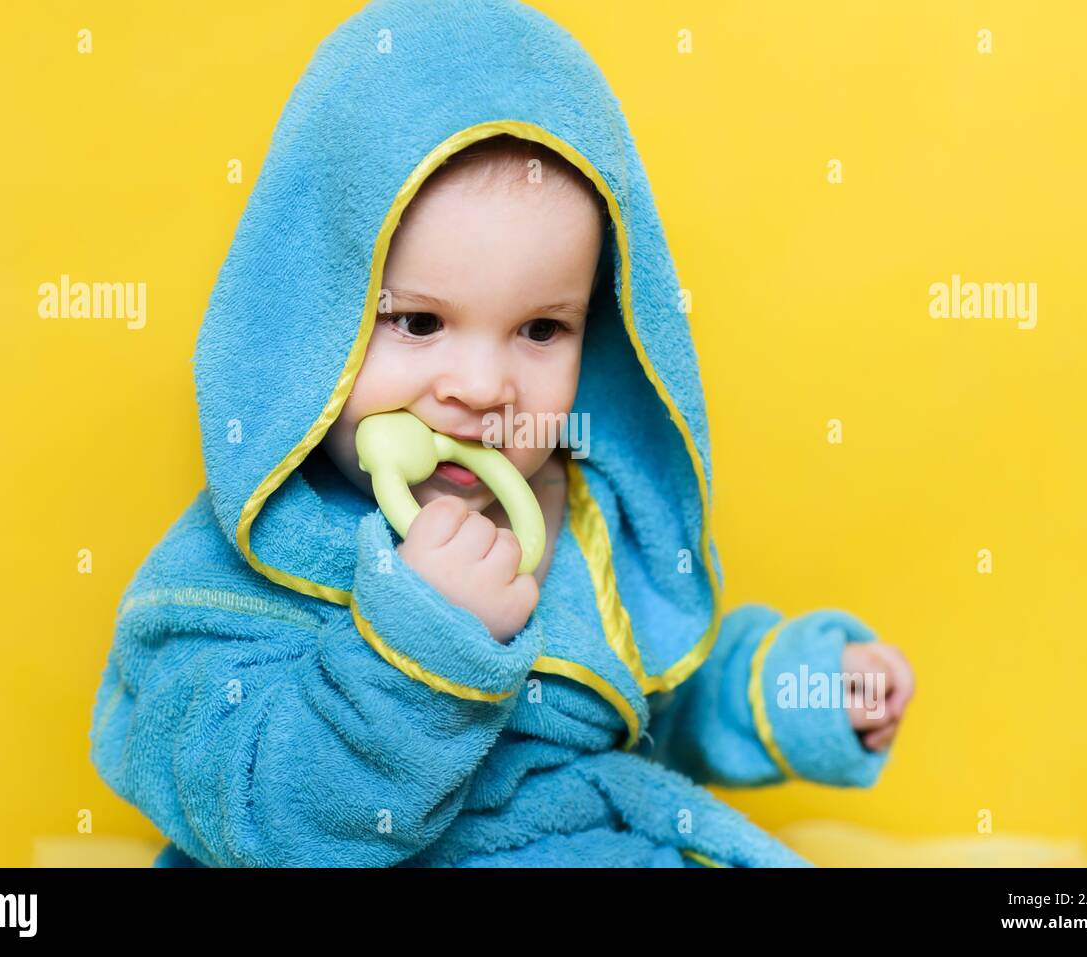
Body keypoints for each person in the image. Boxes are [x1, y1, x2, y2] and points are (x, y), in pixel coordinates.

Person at [89, 0, 914, 868]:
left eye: (541, 330)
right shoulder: (228, 577)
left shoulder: (594, 517)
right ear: (313, 321)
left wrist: (817, 689)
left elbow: (667, 694)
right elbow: (255, 812)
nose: (482, 388)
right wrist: (415, 656)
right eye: (416, 322)